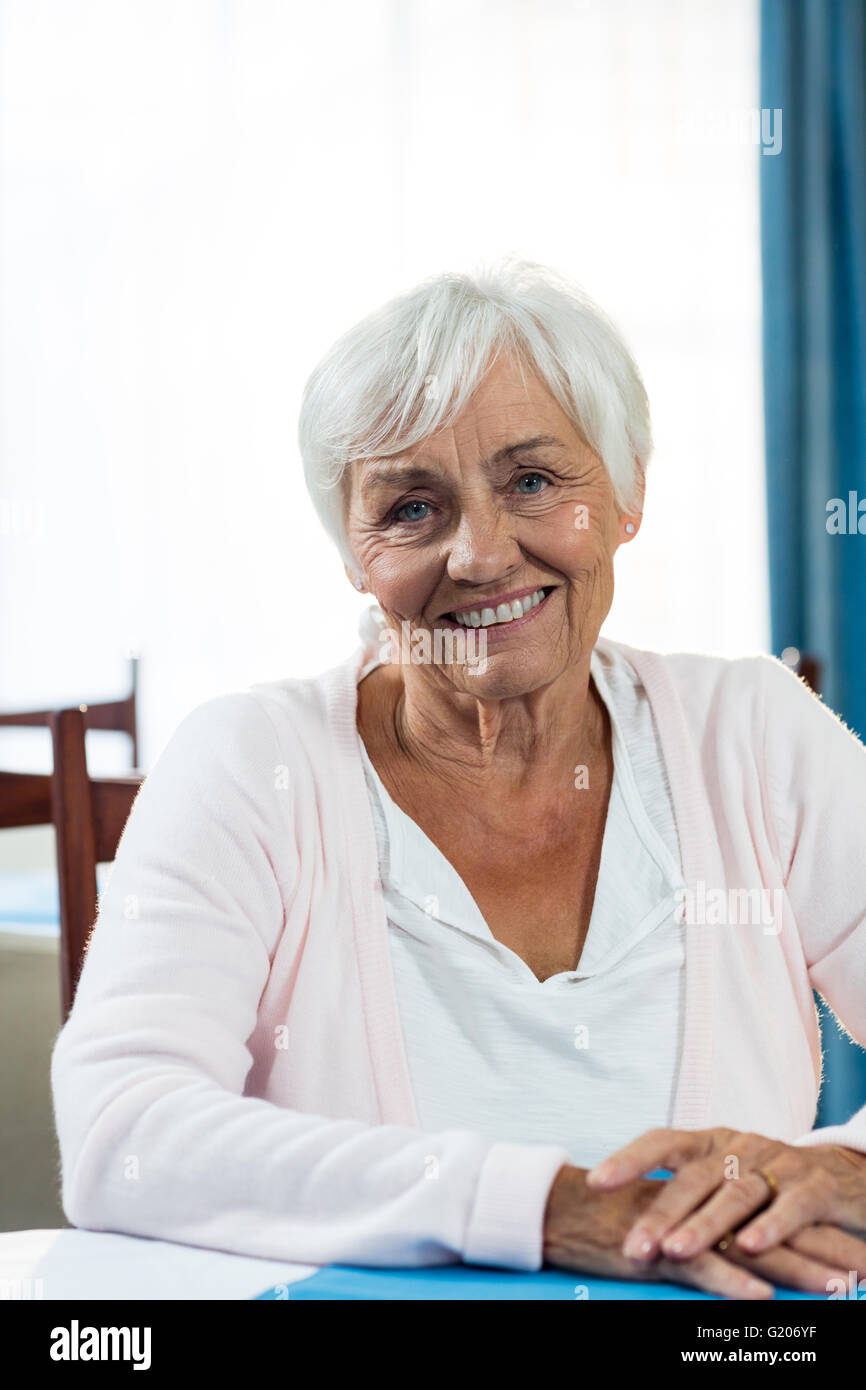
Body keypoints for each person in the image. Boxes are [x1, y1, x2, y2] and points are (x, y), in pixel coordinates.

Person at [51, 259, 866, 1298]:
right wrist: (547, 1206)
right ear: (352, 552)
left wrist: (837, 1170)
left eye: (532, 481)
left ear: (624, 497)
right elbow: (122, 1128)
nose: (480, 554)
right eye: (411, 507)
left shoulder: (750, 734)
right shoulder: (252, 763)